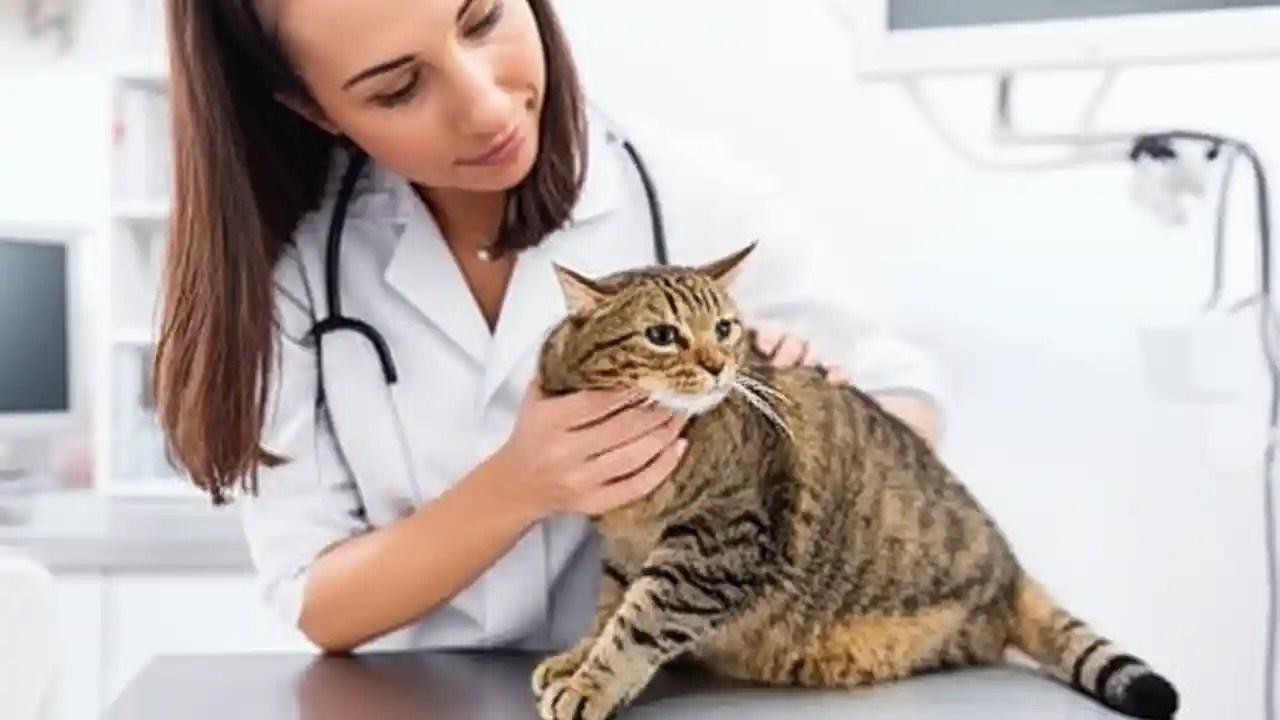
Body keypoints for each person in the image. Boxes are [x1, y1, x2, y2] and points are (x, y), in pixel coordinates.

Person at [154, 0, 947, 655]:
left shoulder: (688, 195)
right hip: (416, 700)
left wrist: (813, 418)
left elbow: (906, 394)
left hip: (672, 688)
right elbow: (315, 600)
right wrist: (521, 484)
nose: (487, 106)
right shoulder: (298, 266)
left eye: (483, 18)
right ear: (312, 109)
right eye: (398, 88)